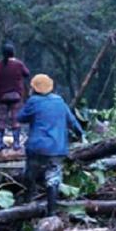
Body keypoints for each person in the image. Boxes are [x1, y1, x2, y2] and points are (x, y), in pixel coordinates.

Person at [18, 74, 85, 214]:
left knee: (30, 174)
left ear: (34, 88)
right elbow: (72, 121)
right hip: (57, 148)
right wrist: (81, 135)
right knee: (53, 178)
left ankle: (26, 204)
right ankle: (51, 212)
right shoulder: (60, 101)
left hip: (37, 148)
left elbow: (20, 117)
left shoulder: (33, 101)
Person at [0, 43, 31, 152]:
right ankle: (16, 143)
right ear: (13, 52)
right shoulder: (18, 64)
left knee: (1, 119)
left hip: (2, 96)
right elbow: (27, 73)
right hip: (16, 95)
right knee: (15, 119)